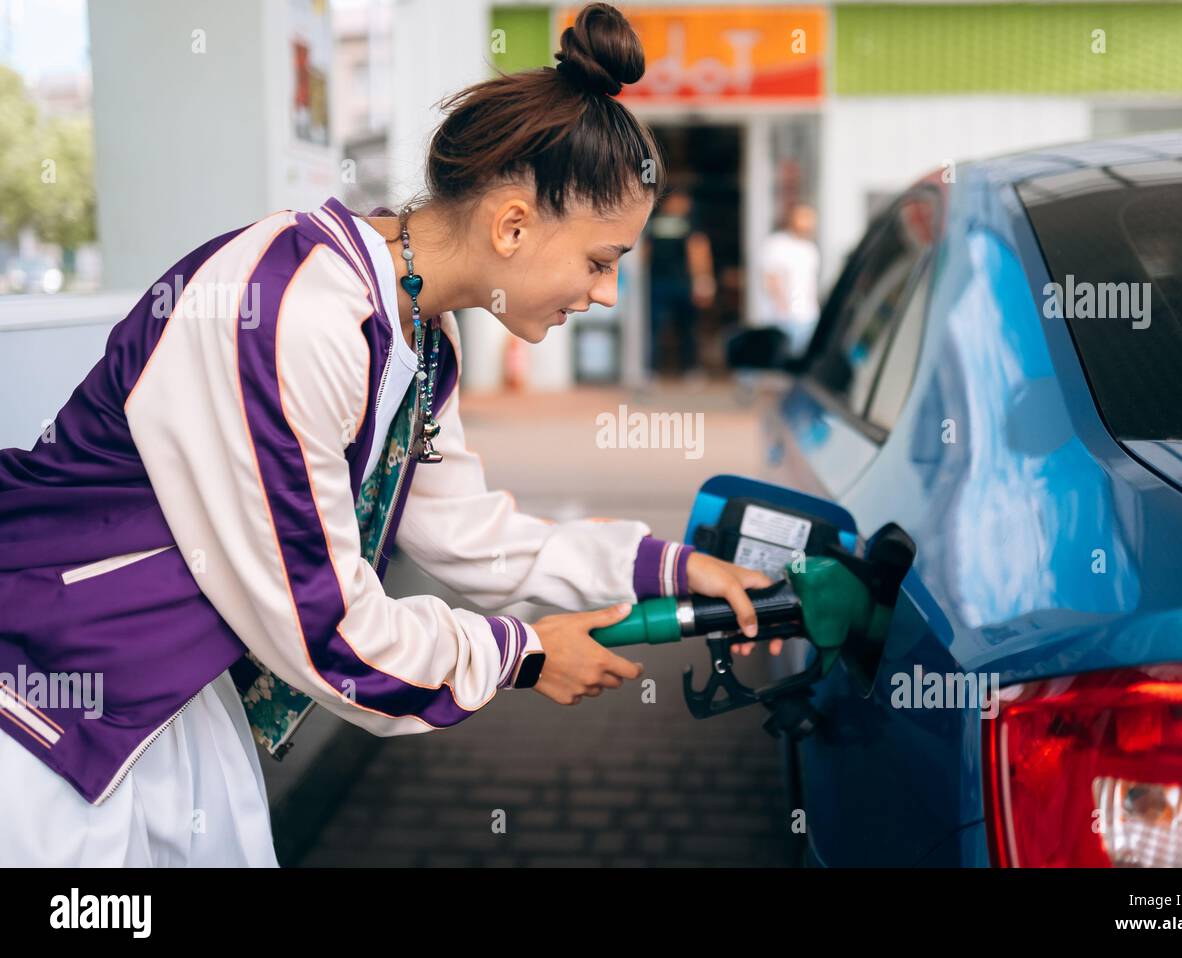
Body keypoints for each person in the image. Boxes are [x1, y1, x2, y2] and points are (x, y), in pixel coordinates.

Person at [0, 2, 779, 867]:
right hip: (43, 718)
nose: (605, 296)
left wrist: (668, 567)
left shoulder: (415, 335)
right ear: (513, 225)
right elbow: (325, 624)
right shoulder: (289, 312)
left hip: (165, 700)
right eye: (601, 261)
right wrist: (518, 654)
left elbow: (470, 536)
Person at [646, 189, 715, 377]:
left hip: (674, 283)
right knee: (665, 329)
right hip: (666, 284)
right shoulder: (665, 222)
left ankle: (685, 368)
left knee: (684, 328)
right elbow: (699, 251)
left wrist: (702, 280)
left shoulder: (653, 222)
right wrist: (703, 280)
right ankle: (655, 369)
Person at [756, 203, 821, 358]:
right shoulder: (777, 245)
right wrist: (782, 309)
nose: (808, 223)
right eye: (803, 217)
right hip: (784, 318)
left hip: (809, 316)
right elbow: (771, 279)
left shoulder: (810, 249)